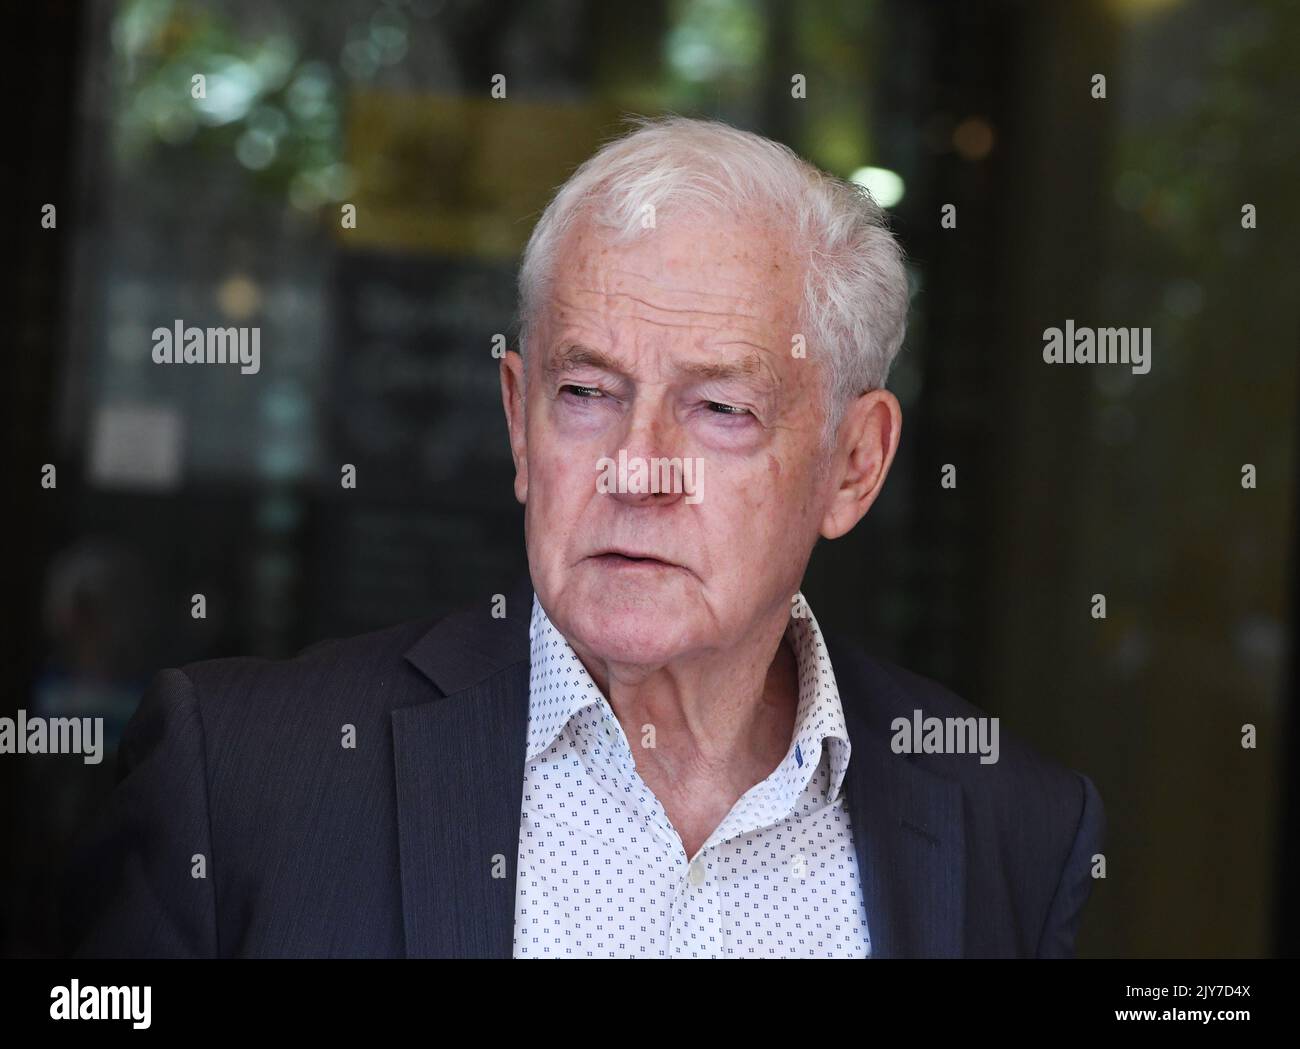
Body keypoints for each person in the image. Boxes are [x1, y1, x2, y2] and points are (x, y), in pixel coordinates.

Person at [62, 115, 1103, 958]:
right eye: (588, 392)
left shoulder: (1004, 822)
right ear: (519, 421)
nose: (636, 468)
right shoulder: (244, 773)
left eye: (720, 410)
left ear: (854, 464)